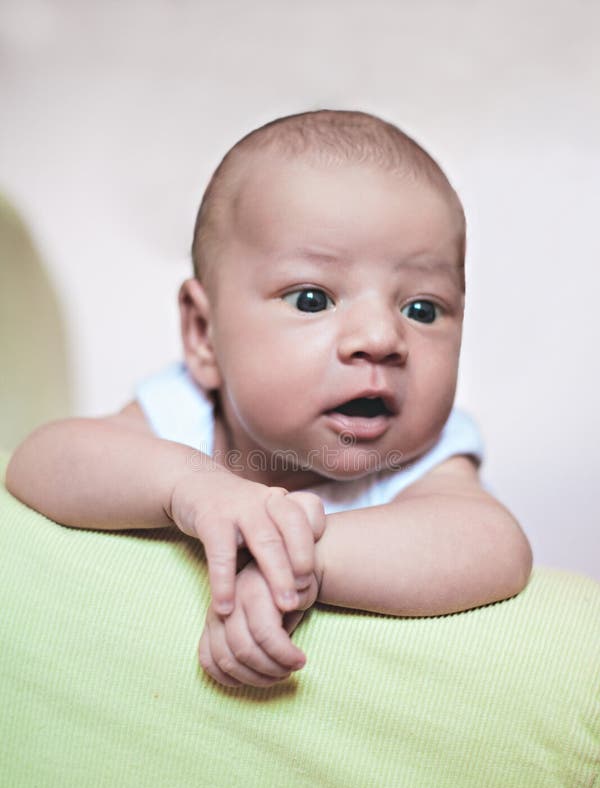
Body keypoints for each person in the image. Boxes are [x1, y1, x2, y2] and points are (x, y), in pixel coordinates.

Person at [6, 109, 532, 689]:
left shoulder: (421, 457)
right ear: (205, 336)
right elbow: (40, 461)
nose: (383, 339)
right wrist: (191, 487)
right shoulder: (184, 411)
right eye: (312, 299)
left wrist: (300, 564)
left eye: (422, 309)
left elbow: (490, 544)